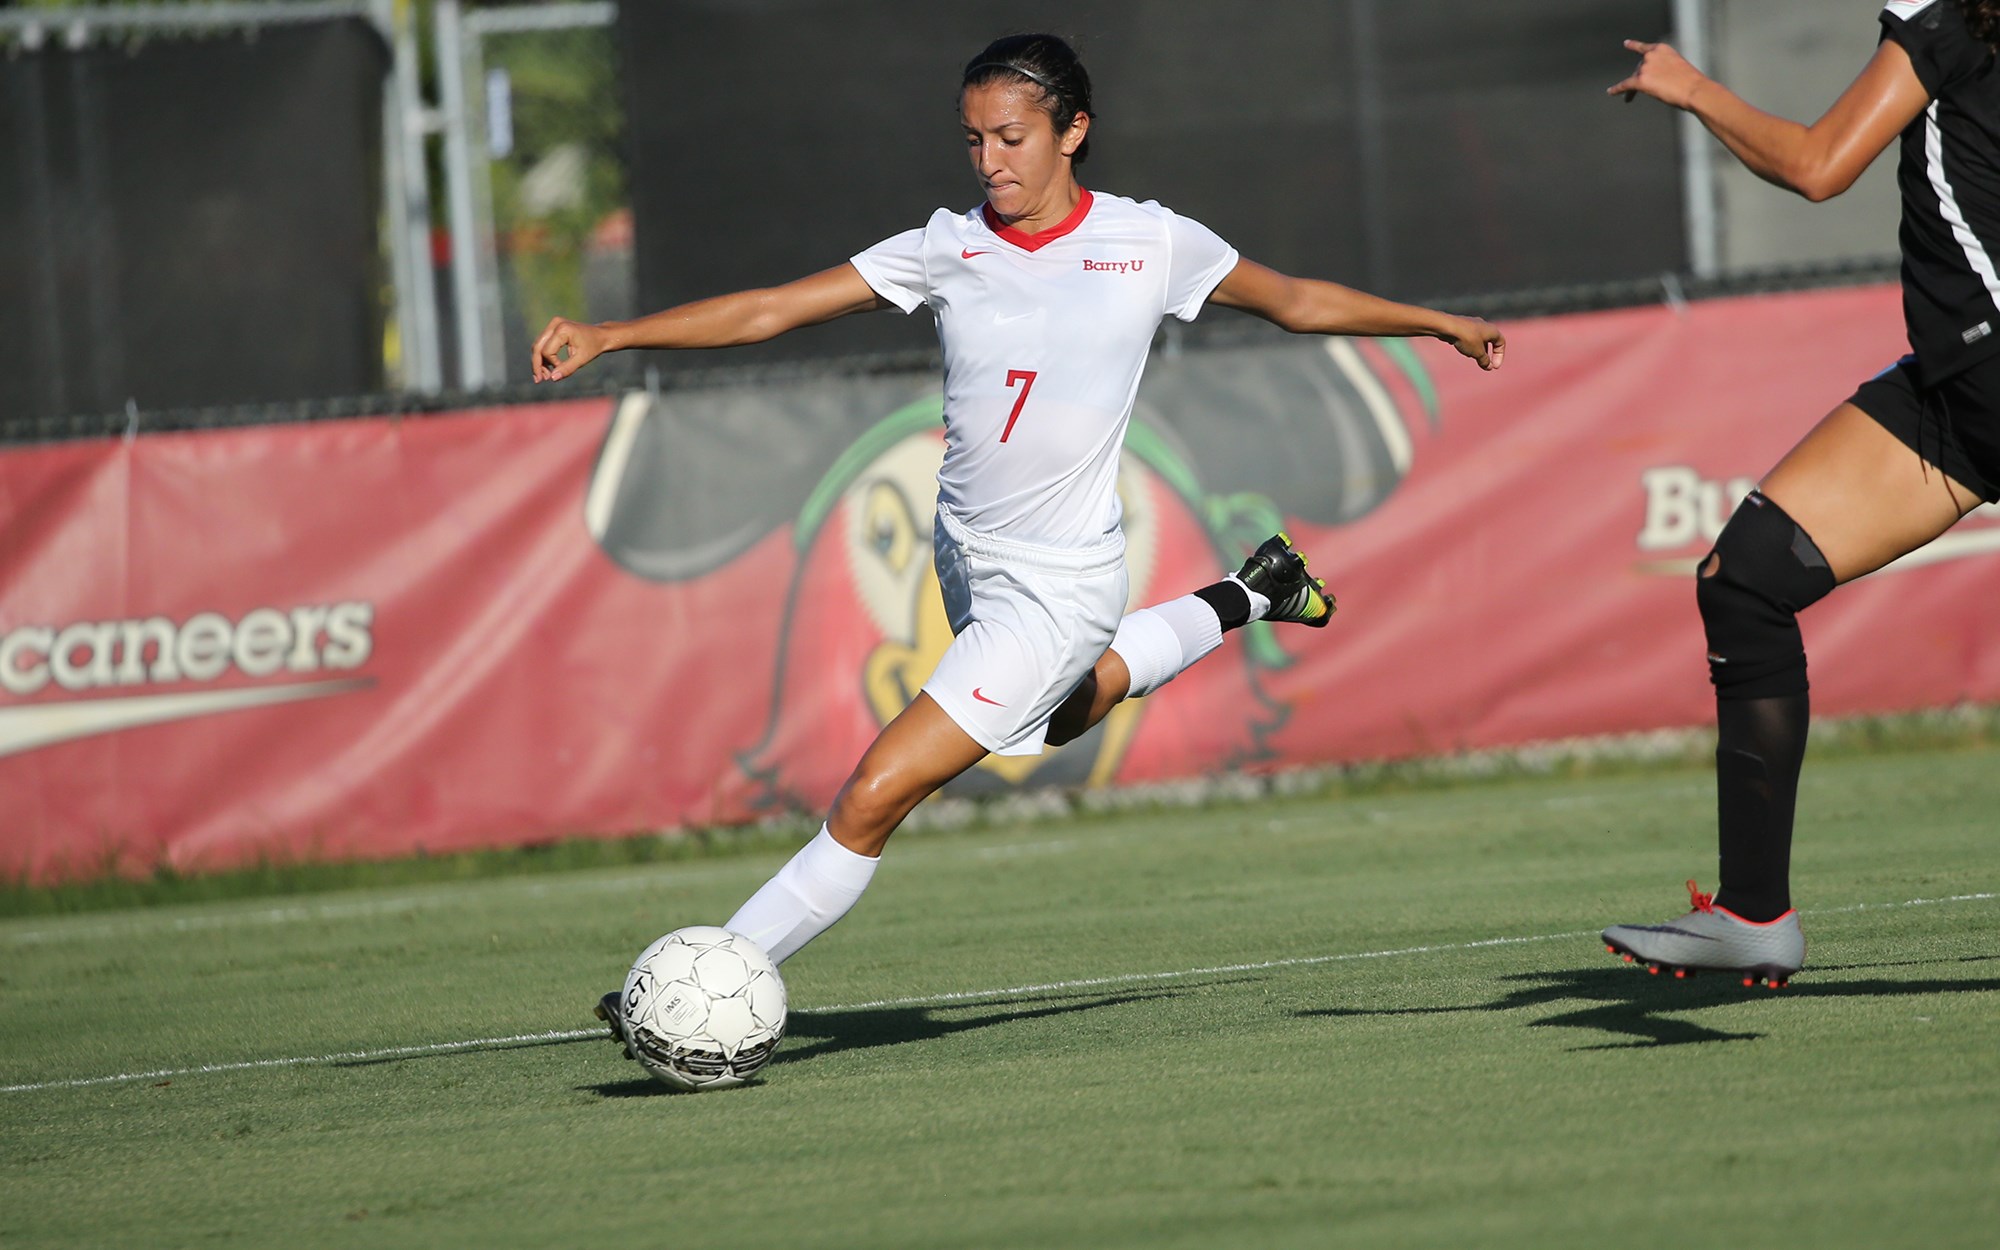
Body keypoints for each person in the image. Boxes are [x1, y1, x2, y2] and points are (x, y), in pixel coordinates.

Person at [529, 34, 1505, 1040]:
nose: (991, 161)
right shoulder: (946, 244)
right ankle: (1253, 590)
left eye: (1011, 136)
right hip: (963, 561)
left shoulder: (1149, 242)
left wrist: (1433, 321)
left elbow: (1296, 303)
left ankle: (709, 982)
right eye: (972, 141)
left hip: (1058, 588)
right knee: (1053, 721)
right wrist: (613, 336)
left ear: (1072, 131)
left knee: (875, 789)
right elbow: (772, 309)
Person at [1601, 1, 2000, 987]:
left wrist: (1690, 87)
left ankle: (1752, 912)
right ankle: (1750, 911)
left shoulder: (1945, 19)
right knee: (1745, 577)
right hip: (1957, 390)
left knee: (1744, 582)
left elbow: (1816, 166)